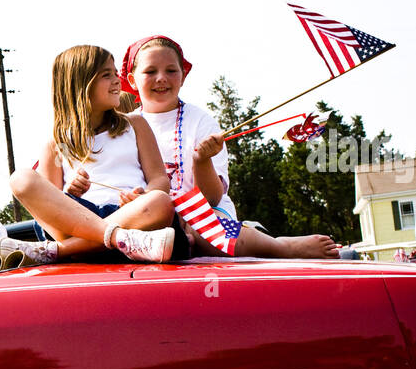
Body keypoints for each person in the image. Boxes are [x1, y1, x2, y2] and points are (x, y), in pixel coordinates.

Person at [118, 35, 339, 259]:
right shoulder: (121, 128)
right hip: (152, 219)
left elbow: (212, 198)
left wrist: (201, 161)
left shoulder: (201, 122)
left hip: (204, 216)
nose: (161, 78)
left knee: (203, 232)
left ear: (183, 76)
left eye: (171, 70)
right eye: (150, 71)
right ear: (132, 80)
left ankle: (280, 247)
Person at [2, 45, 177, 266]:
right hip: (82, 222)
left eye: (116, 74)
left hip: (134, 218)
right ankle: (119, 239)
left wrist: (143, 195)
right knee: (21, 179)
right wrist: (69, 192)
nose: (117, 81)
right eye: (107, 75)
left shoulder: (135, 124)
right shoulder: (58, 144)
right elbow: (51, 202)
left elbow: (160, 179)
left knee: (159, 201)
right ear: (81, 84)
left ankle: (58, 251)